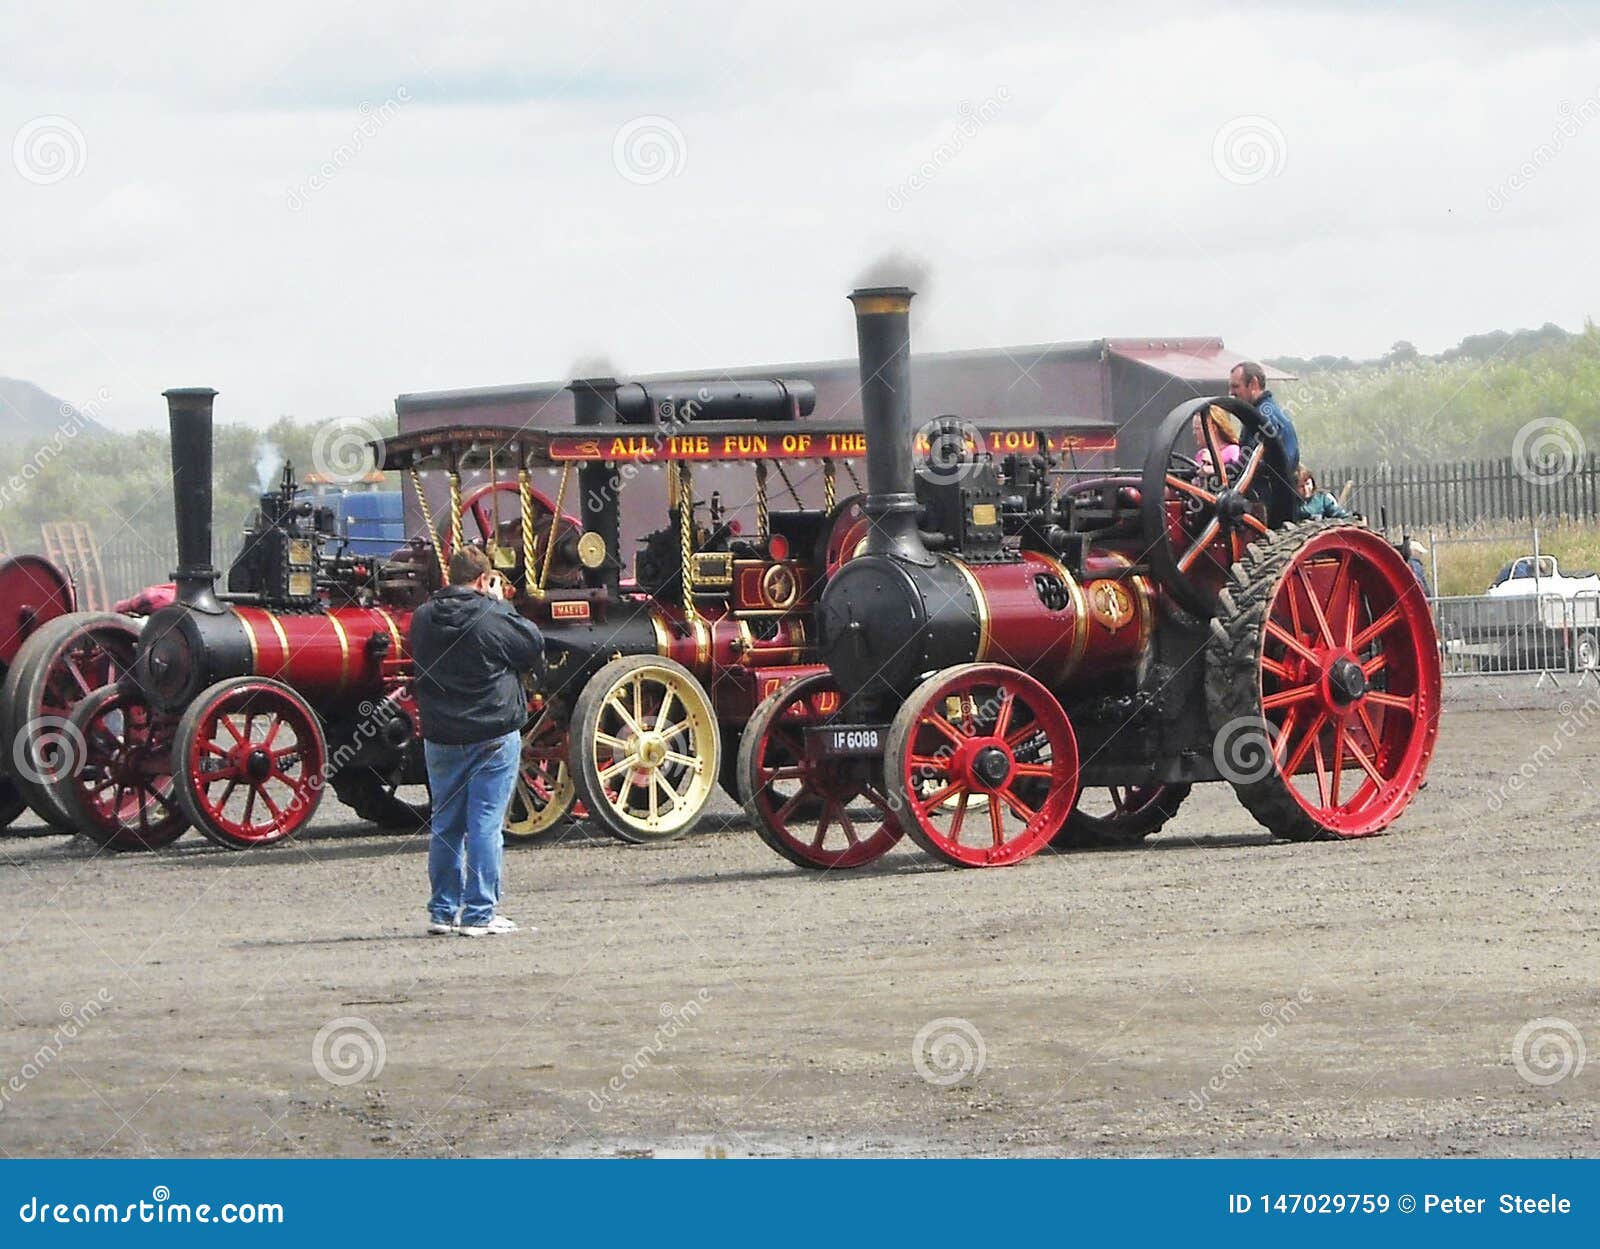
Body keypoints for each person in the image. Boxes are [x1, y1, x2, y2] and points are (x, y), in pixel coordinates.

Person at [409, 545, 545, 938]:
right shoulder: (491, 615)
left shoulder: (422, 618)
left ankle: (442, 910)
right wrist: (501, 604)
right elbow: (531, 644)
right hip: (491, 733)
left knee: (446, 824)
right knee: (484, 824)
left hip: (441, 736)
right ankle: (479, 914)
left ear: (449, 577)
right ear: (485, 579)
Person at [1193, 405, 1243, 476]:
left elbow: (1236, 476)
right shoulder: (1201, 454)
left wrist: (1213, 467)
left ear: (1212, 428)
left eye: (1197, 429)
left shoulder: (1232, 451)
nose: (1194, 433)